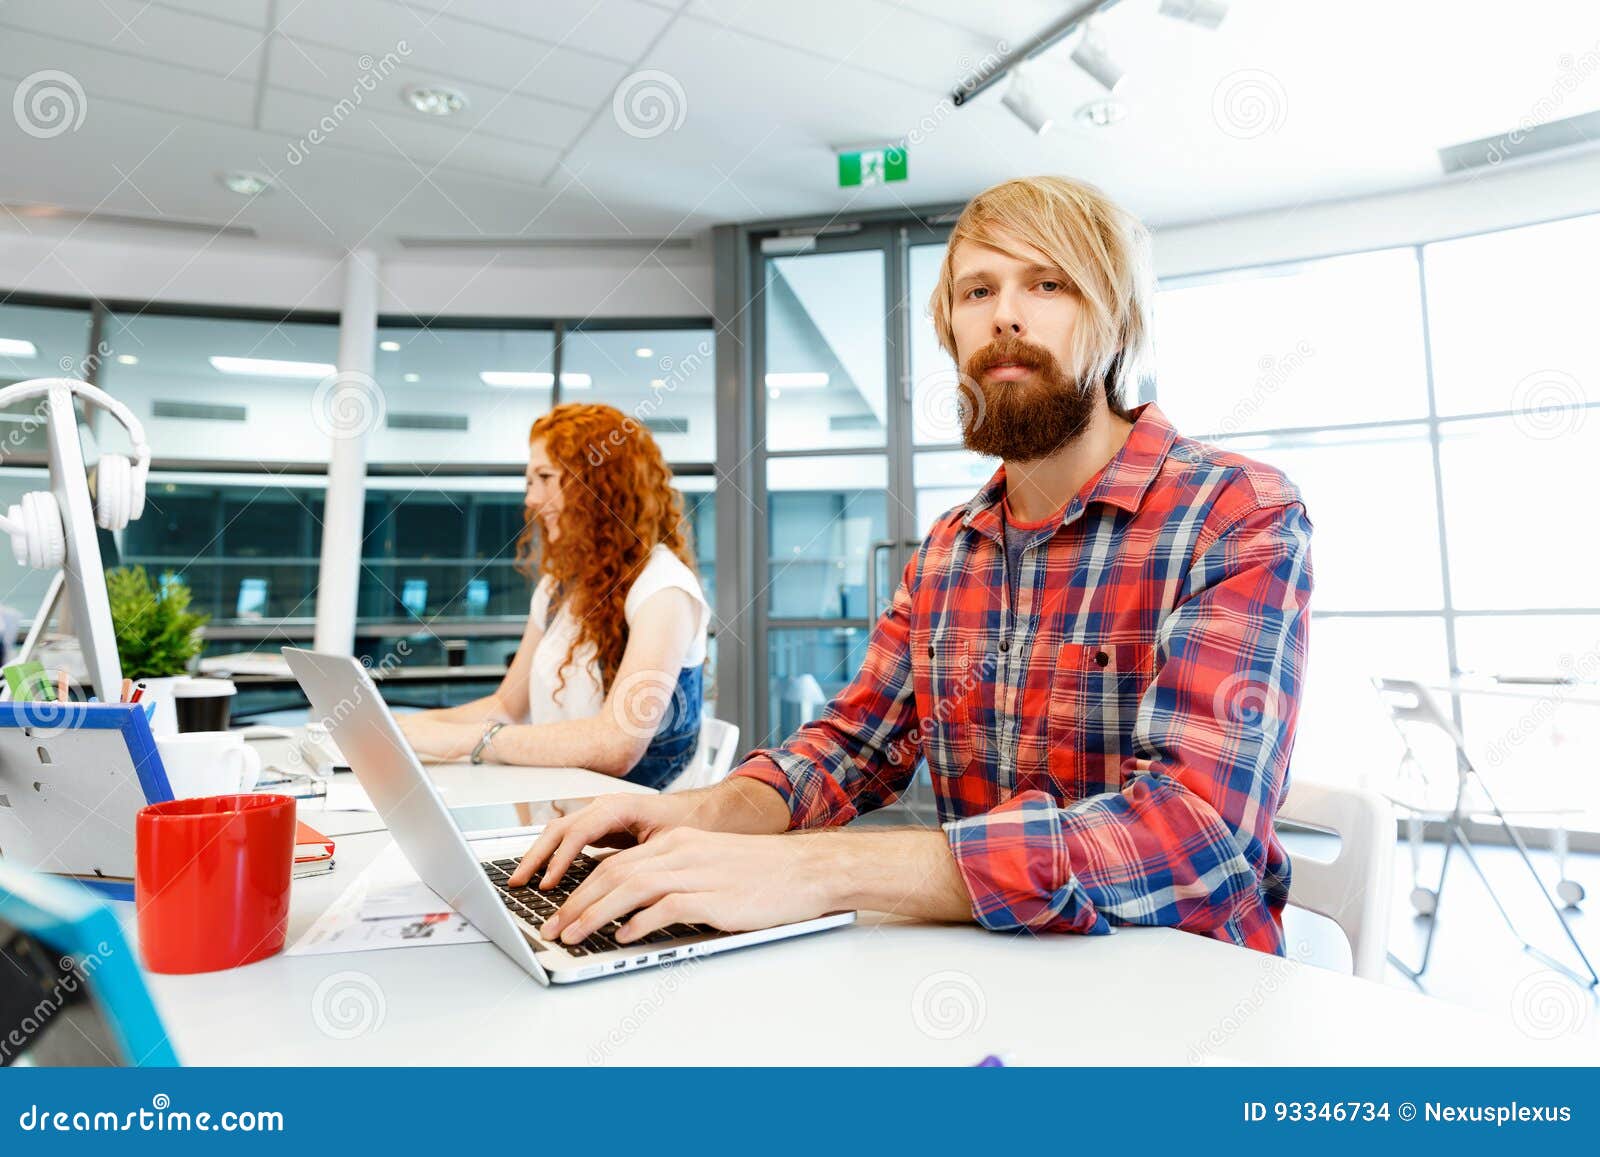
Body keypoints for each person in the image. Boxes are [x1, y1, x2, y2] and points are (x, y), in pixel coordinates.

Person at [506, 175, 1313, 957]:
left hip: (1183, 997)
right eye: (977, 292)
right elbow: (852, 744)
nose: (1006, 316)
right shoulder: (948, 551)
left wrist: (825, 869)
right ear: (951, 331)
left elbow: (1194, 834)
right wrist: (697, 813)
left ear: (1117, 323)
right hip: (999, 973)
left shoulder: (1235, 514)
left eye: (1048, 285)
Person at [398, 403, 710, 790]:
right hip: (562, 813)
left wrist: (468, 740)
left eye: (545, 477)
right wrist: (400, 727)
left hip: (640, 833)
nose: (531, 499)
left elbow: (618, 744)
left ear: (598, 485)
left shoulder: (663, 589)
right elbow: (506, 708)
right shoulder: (557, 588)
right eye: (530, 481)